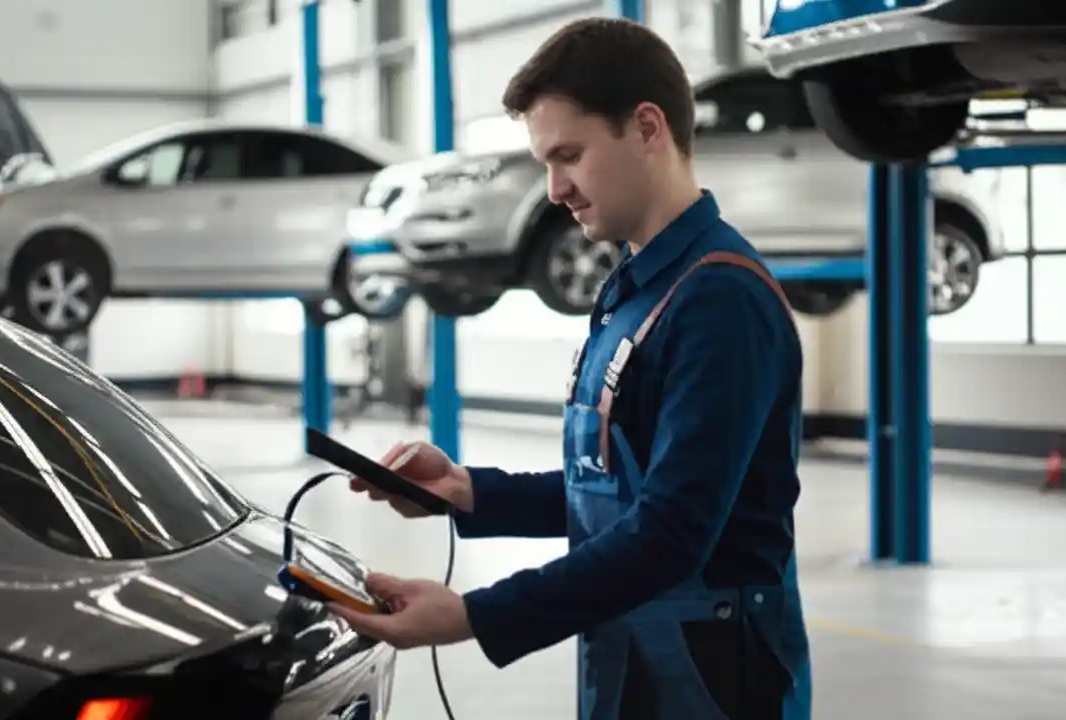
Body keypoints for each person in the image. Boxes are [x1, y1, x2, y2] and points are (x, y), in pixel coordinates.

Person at [332, 16, 812, 720]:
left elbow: (670, 533)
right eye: (545, 163)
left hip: (717, 676)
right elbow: (621, 492)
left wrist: (473, 614)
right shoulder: (637, 287)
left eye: (570, 156)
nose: (555, 189)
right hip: (640, 657)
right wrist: (468, 491)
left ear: (648, 128)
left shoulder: (720, 299)